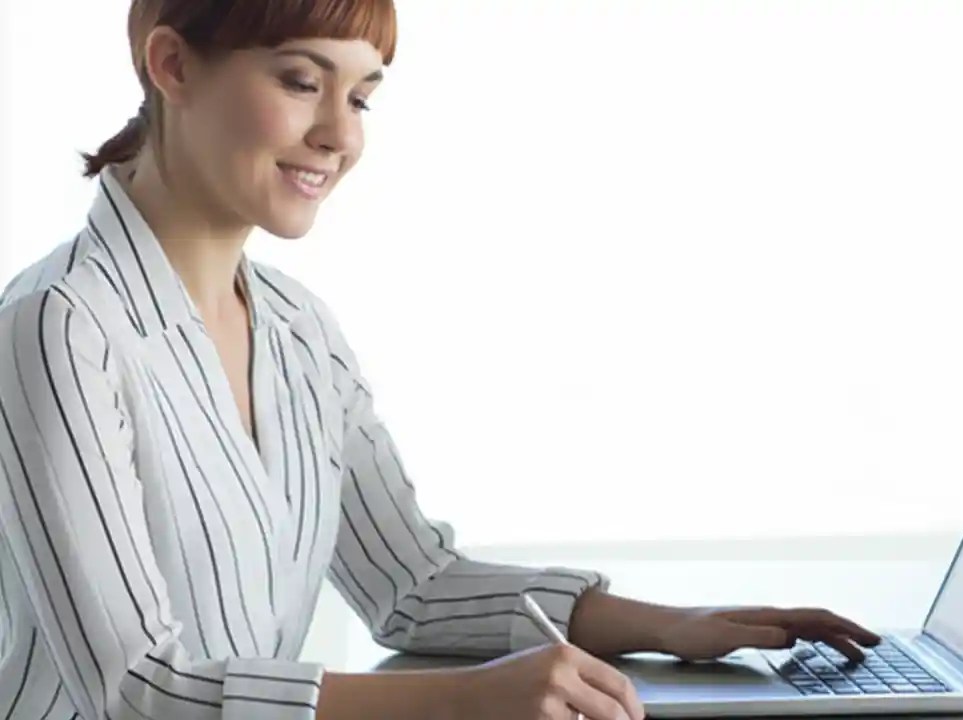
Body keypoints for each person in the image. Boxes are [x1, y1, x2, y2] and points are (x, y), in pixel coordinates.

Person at [0, 1, 881, 718]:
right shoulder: (59, 327)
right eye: (303, 81)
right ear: (173, 66)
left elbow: (413, 584)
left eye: (363, 97)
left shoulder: (299, 328)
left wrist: (675, 627)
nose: (339, 136)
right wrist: (467, 701)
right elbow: (134, 690)